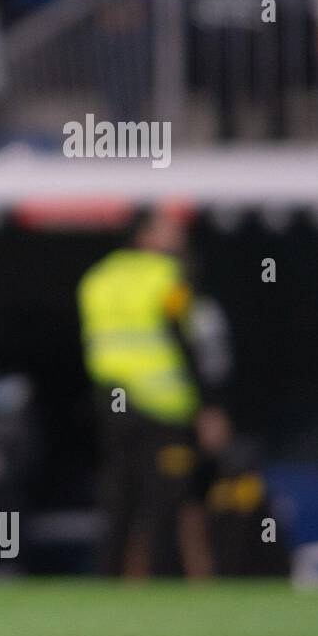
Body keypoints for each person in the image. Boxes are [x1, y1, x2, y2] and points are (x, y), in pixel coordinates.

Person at [77, 208, 223, 578]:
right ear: (144, 236)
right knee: (164, 500)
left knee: (119, 496)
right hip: (162, 406)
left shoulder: (98, 277)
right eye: (166, 228)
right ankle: (159, 581)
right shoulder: (167, 277)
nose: (178, 233)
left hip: (111, 400)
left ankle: (108, 580)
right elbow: (185, 342)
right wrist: (207, 406)